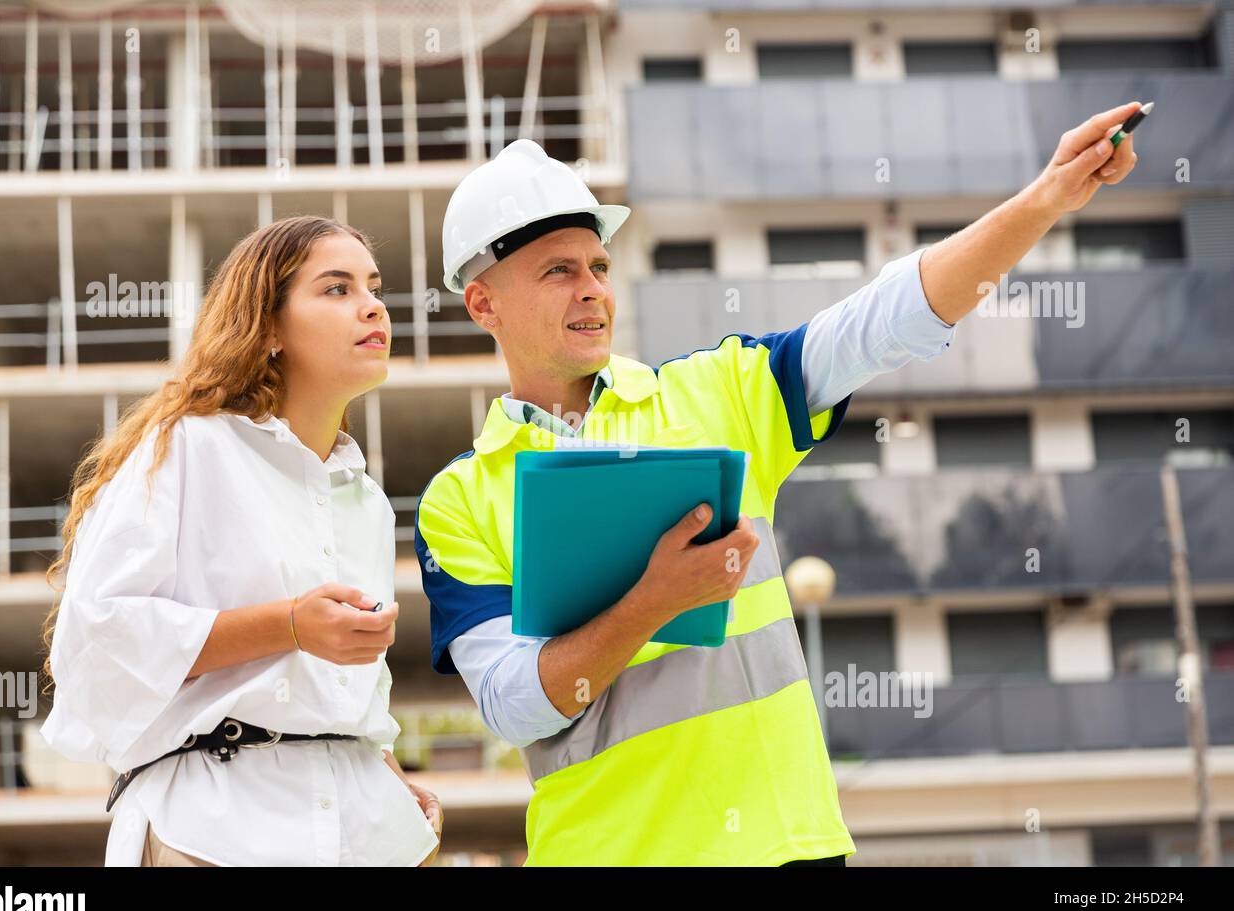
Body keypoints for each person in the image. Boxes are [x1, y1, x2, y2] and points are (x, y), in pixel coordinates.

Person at [415, 104, 1141, 866]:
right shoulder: (458, 500)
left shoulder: (720, 392)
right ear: (482, 302)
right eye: (558, 271)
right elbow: (516, 708)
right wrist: (657, 599)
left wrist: (1044, 201)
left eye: (598, 266)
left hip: (782, 844)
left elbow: (886, 318)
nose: (592, 289)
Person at [40, 215, 442, 867]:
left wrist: (383, 769)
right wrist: (288, 625)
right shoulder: (186, 447)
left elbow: (338, 687)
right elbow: (97, 639)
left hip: (365, 836)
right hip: (213, 833)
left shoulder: (362, 496)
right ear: (271, 327)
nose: (372, 306)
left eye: (374, 286)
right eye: (336, 289)